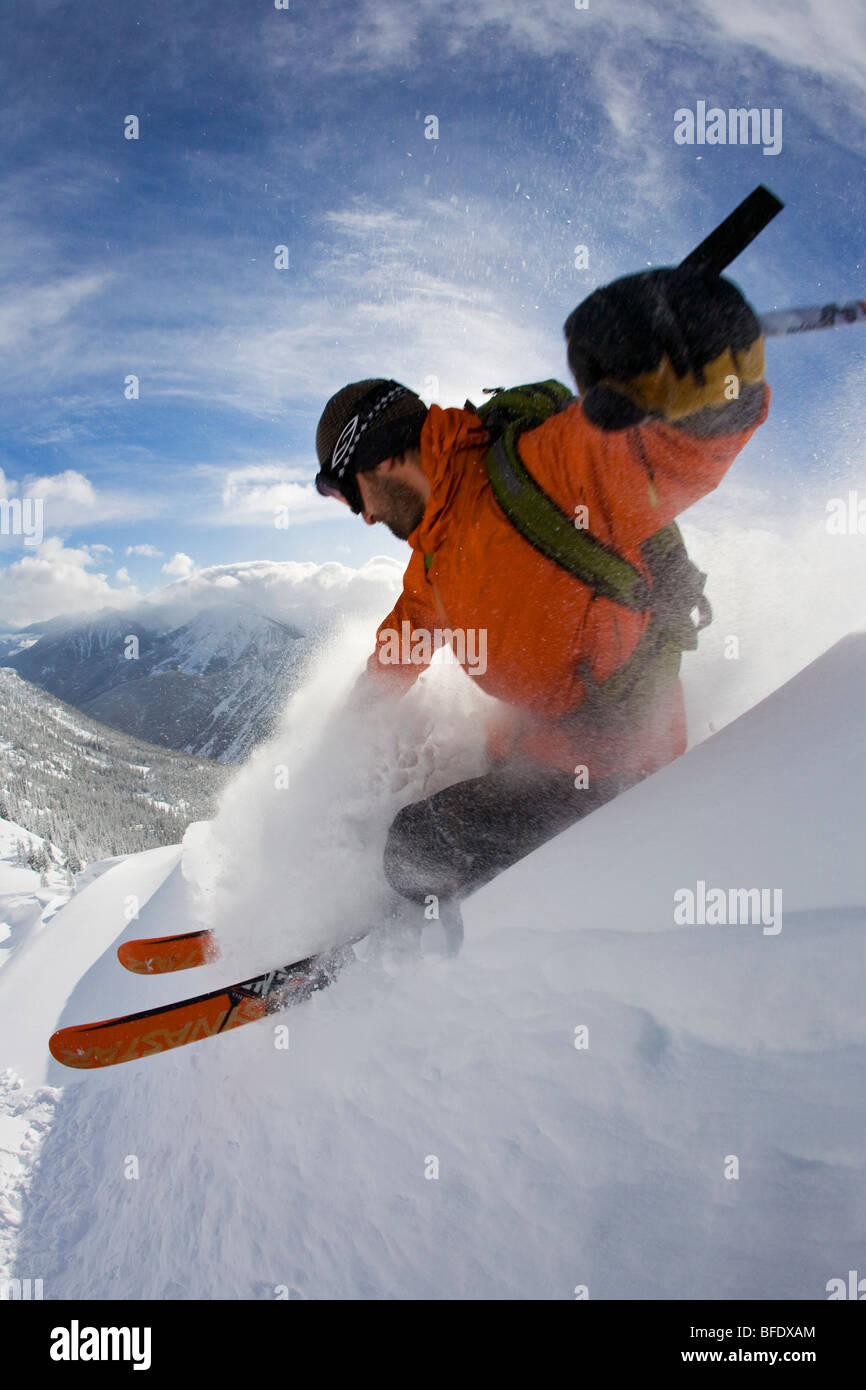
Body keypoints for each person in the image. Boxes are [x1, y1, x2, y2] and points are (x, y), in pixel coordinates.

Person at [314, 267, 770, 927]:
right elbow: (403, 639)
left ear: (380, 459)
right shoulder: (434, 556)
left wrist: (707, 365)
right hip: (537, 753)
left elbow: (677, 449)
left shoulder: (545, 468)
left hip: (622, 772)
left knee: (413, 844)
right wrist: (343, 735)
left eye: (344, 491)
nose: (356, 514)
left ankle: (436, 937)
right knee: (418, 804)